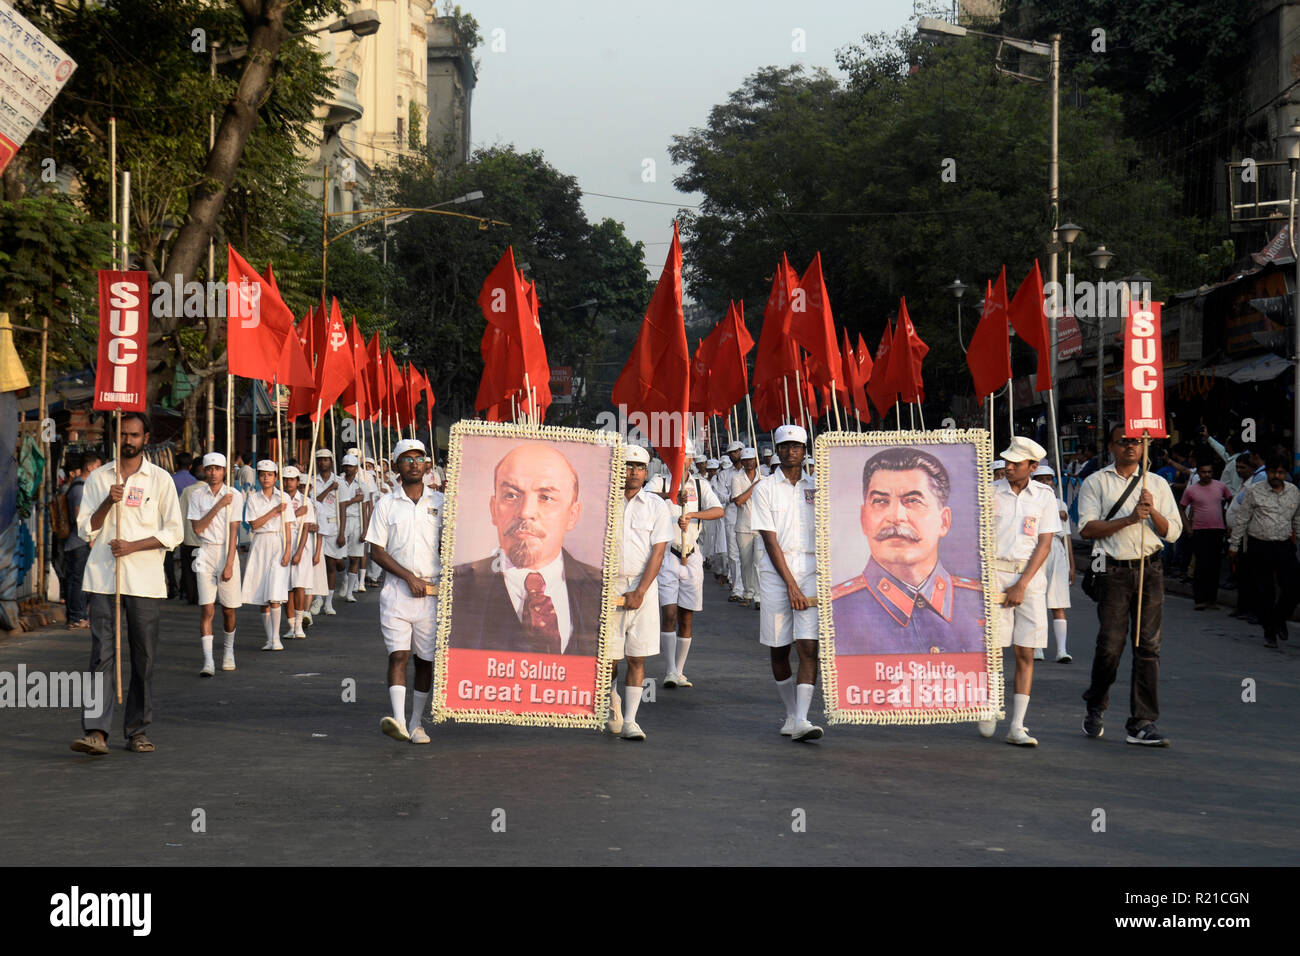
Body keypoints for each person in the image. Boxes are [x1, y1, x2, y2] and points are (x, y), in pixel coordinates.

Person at [69, 413, 184, 755]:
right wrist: (109, 500)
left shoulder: (160, 480)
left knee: (143, 657)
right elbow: (85, 529)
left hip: (145, 582)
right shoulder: (99, 478)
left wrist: (134, 546)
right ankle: (96, 732)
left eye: (135, 434)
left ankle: (137, 730)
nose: (129, 440)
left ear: (146, 437)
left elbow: (174, 532)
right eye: (124, 434)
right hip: (104, 578)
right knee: (100, 656)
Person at [1078, 425, 1183, 746]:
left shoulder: (1158, 484)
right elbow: (1086, 529)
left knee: (1148, 647)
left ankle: (1142, 721)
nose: (1130, 447)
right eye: (1123, 441)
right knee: (1110, 645)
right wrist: (1129, 519)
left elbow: (1174, 532)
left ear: (1144, 446)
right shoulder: (1096, 482)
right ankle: (1096, 702)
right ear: (1111, 446)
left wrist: (1152, 514)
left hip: (1149, 569)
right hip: (1113, 572)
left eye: (1136, 441)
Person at [450, 442, 605, 653]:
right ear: (494, 510)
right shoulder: (457, 587)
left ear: (572, 515)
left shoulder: (598, 587)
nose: (525, 512)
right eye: (511, 495)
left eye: (546, 497)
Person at [831, 447, 985, 655]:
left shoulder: (976, 601)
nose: (896, 516)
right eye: (880, 501)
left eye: (913, 501)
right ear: (863, 519)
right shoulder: (838, 610)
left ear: (944, 521)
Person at [977, 439, 1059, 746]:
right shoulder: (988, 492)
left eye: (1016, 463)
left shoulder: (1044, 496)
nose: (1008, 467)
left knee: (1025, 651)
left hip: (1031, 577)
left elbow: (1045, 543)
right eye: (1007, 462)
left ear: (1033, 467)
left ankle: (1017, 725)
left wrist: (1022, 584)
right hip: (994, 573)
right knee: (993, 650)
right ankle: (990, 704)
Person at [366, 439, 445, 744]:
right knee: (398, 654)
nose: (413, 463)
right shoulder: (386, 504)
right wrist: (408, 577)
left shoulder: (441, 503)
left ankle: (416, 723)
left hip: (432, 594)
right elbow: (376, 550)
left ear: (427, 465)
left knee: (424, 660)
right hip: (398, 591)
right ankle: (398, 720)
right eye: (406, 459)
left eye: (419, 458)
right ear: (396, 466)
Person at [751, 424, 823, 742]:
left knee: (809, 646)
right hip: (775, 572)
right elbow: (770, 541)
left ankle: (803, 719)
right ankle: (792, 713)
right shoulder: (765, 489)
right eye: (785, 446)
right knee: (780, 648)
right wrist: (791, 584)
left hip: (811, 570)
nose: (791, 451)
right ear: (777, 451)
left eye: (796, 446)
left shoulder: (817, 488)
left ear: (804, 451)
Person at [604, 444, 671, 740]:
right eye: (628, 466)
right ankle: (611, 698)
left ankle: (631, 720)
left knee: (637, 656)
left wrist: (641, 591)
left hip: (643, 586)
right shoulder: (604, 501)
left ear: (646, 473)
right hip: (609, 586)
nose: (632, 472)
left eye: (638, 467)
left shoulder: (656, 506)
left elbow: (658, 551)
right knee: (609, 660)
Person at [658, 461, 724, 688]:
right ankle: (669, 670)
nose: (682, 462)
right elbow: (647, 498)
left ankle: (679, 670)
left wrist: (693, 514)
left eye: (685, 458)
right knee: (669, 613)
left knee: (686, 616)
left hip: (692, 554)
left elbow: (718, 510)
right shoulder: (661, 480)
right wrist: (671, 494)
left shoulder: (700, 484)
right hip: (668, 554)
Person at [1228, 454, 1300, 648]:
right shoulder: (1254, 491)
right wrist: (1234, 546)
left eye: (1281, 472)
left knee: (1293, 587)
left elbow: (1297, 520)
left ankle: (1279, 618)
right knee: (1264, 591)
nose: (1276, 475)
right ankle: (1270, 631)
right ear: (1267, 471)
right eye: (1273, 471)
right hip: (1259, 546)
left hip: (1284, 545)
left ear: (1286, 473)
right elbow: (1242, 519)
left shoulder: (1294, 492)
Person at [188, 452, 243, 675]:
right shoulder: (196, 495)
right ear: (204, 470)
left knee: (229, 609)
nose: (213, 473)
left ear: (224, 471)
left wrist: (229, 563)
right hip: (205, 552)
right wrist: (219, 505)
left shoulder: (235, 495)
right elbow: (198, 528)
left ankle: (228, 651)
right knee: (207, 608)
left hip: (226, 551)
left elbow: (234, 531)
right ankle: (208, 660)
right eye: (209, 469)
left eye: (217, 469)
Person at [242, 460, 294, 652]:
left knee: (275, 593)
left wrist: (288, 549)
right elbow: (254, 525)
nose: (266, 478)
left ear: (276, 477)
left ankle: (276, 637)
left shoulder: (284, 498)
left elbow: (288, 526)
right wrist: (274, 511)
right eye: (262, 474)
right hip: (260, 544)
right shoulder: (254, 499)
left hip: (277, 543)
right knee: (261, 594)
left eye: (270, 474)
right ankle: (269, 638)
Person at [1032, 464, 1075, 662]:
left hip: (1056, 551)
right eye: (1040, 480)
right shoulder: (1029, 501)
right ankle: (1037, 648)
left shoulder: (1061, 504)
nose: (1045, 483)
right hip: (1036, 549)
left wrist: (1071, 565)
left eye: (1048, 479)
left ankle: (1061, 650)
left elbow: (1066, 537)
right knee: (1036, 601)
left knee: (1058, 602)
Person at [1180, 461, 1233, 610]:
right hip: (1199, 531)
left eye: (1209, 472)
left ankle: (1212, 600)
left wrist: (1230, 523)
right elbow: (1182, 508)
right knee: (1201, 566)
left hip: (1217, 530)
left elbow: (1232, 503)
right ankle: (1199, 600)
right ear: (1198, 473)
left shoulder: (1220, 486)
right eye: (1204, 472)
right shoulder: (1191, 490)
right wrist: (1188, 527)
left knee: (1214, 566)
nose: (1207, 475)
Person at [61, 452, 95, 630]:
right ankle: (76, 617)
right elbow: (78, 517)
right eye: (97, 466)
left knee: (77, 579)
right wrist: (90, 538)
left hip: (78, 542)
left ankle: (76, 616)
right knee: (78, 580)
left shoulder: (80, 486)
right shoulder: (80, 488)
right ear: (90, 467)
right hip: (79, 542)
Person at [282, 466, 316, 640]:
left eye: (292, 479)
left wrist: (299, 552)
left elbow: (307, 528)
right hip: (282, 542)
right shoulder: (278, 499)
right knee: (286, 587)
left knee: (299, 585)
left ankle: (299, 625)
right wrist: (295, 514)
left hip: (300, 544)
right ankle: (290, 625)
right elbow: (278, 523)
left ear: (298, 481)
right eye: (285, 479)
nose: (288, 483)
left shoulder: (305, 501)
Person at [332, 453, 368, 604]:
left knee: (354, 557)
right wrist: (354, 500)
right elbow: (340, 505)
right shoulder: (338, 483)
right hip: (340, 520)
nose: (348, 469)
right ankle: (345, 579)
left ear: (356, 468)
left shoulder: (362, 485)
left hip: (357, 521)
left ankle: (349, 593)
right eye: (346, 466)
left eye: (351, 466)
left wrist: (365, 530)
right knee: (337, 556)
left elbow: (365, 508)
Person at [313, 448, 342, 615]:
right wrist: (330, 487)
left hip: (333, 526)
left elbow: (343, 507)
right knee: (318, 564)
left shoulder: (339, 481)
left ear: (331, 462)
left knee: (332, 564)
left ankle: (328, 602)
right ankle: (317, 598)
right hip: (316, 527)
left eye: (326, 459)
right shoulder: (312, 480)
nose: (322, 462)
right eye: (320, 459)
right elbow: (315, 500)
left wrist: (342, 532)